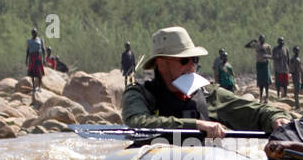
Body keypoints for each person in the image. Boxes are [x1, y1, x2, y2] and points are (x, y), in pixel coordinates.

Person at [123, 26, 293, 138]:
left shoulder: (208, 94)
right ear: (161, 64)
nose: (191, 66)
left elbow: (254, 112)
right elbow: (138, 123)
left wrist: (275, 117)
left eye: (194, 59)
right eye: (183, 60)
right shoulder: (139, 94)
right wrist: (195, 125)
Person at [246, 34, 273, 102]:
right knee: (260, 81)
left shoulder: (267, 46)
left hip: (265, 63)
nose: (261, 40)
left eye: (263, 38)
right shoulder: (256, 45)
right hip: (259, 64)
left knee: (266, 81)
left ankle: (266, 97)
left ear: (264, 39)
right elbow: (246, 46)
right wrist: (252, 41)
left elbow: (271, 56)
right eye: (260, 38)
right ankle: (261, 97)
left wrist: (266, 56)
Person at [25, 27, 46, 103]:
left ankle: (39, 87)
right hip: (32, 57)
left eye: (35, 32)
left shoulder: (40, 40)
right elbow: (27, 50)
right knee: (32, 73)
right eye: (33, 32)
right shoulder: (29, 41)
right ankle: (34, 86)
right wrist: (26, 59)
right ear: (31, 33)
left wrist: (44, 59)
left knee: (39, 72)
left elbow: (43, 49)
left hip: (38, 56)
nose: (34, 34)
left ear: (37, 33)